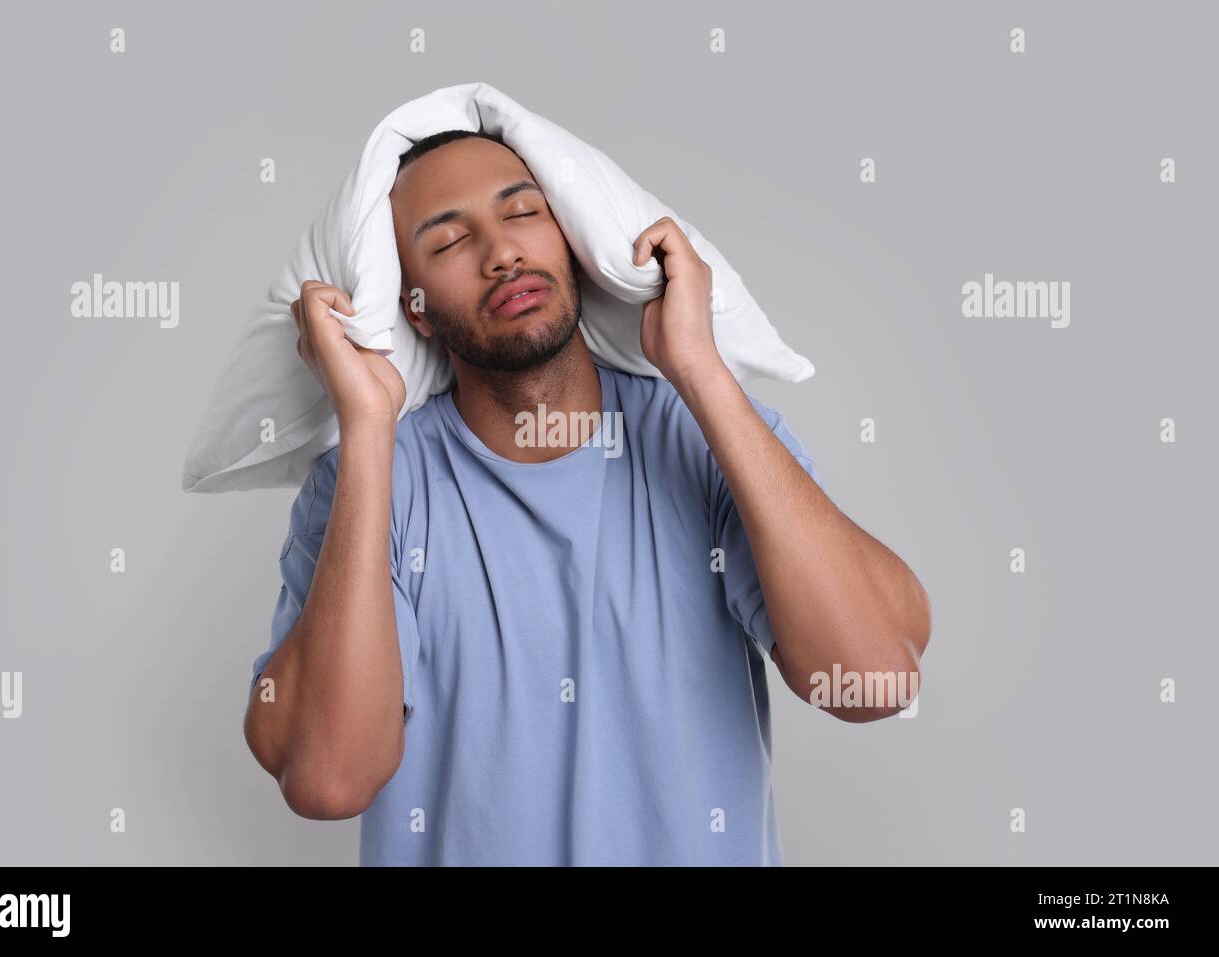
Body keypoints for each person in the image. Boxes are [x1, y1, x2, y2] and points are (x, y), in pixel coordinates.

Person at [242, 129, 932, 865]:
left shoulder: (705, 436)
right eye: (448, 243)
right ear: (413, 309)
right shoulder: (369, 482)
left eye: (524, 214)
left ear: (572, 241)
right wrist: (368, 429)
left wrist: (698, 368)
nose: (501, 253)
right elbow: (328, 779)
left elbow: (876, 679)